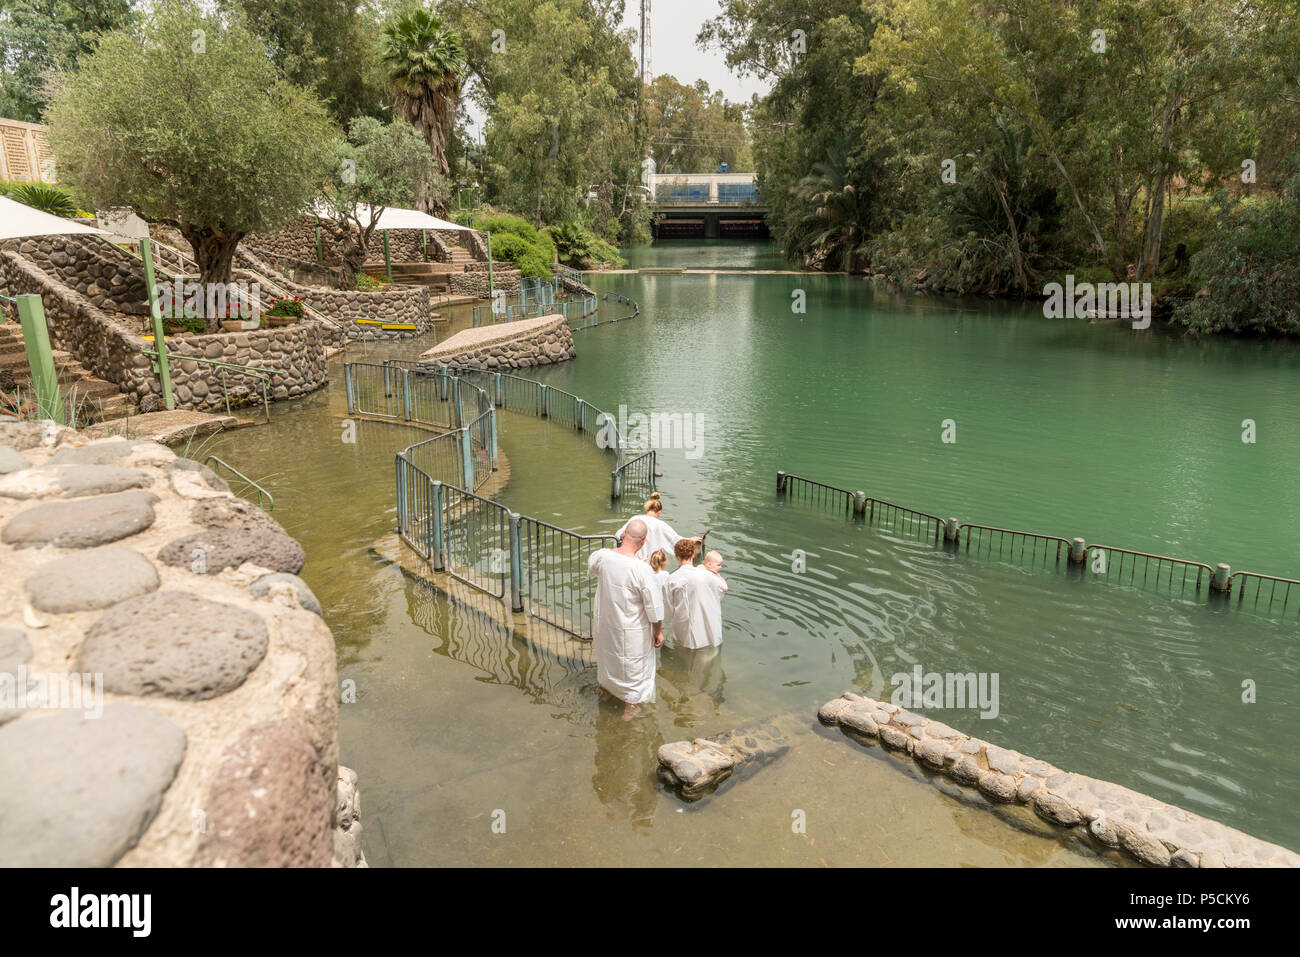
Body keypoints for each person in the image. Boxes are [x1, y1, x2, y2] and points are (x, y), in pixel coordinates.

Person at [587, 517, 664, 719]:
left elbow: (591, 567)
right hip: (631, 628)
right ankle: (631, 707)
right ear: (643, 542)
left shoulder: (603, 556)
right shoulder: (642, 570)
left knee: (608, 657)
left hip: (605, 622)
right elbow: (654, 607)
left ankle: (606, 692)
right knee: (633, 666)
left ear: (622, 535)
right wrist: (658, 631)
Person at [665, 538, 728, 650]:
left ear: (677, 557)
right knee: (707, 652)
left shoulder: (671, 579)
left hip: (683, 626)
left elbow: (668, 609)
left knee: (683, 651)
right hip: (707, 625)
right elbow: (722, 590)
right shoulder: (707, 575)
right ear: (693, 554)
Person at [616, 493, 701, 560]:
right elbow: (675, 541)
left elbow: (618, 536)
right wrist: (690, 541)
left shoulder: (634, 519)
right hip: (650, 562)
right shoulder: (660, 525)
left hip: (631, 558)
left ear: (647, 509)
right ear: (659, 512)